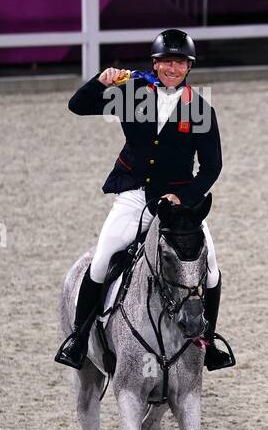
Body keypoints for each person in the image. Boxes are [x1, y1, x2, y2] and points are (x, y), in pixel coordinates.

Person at [55, 29, 234, 372]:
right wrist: (100, 81)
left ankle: (209, 343)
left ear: (188, 68)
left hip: (178, 202)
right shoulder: (131, 93)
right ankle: (78, 339)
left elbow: (213, 167)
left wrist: (182, 197)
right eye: (166, 61)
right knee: (104, 256)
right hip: (135, 193)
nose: (172, 68)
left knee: (209, 266)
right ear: (155, 64)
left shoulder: (200, 109)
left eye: (179, 63)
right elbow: (77, 106)